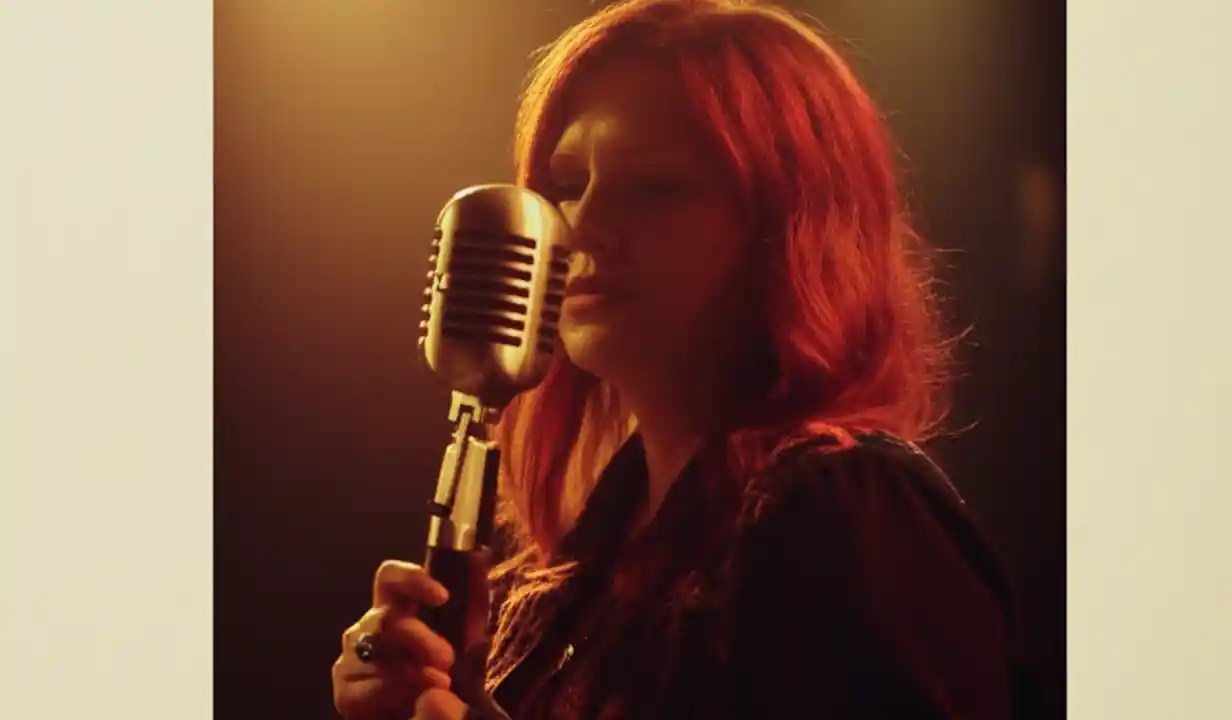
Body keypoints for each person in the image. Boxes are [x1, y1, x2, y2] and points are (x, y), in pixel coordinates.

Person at [333, 0, 1031, 717]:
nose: (584, 227)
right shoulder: (578, 570)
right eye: (569, 185)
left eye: (655, 187)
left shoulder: (845, 510)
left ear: (789, 227)